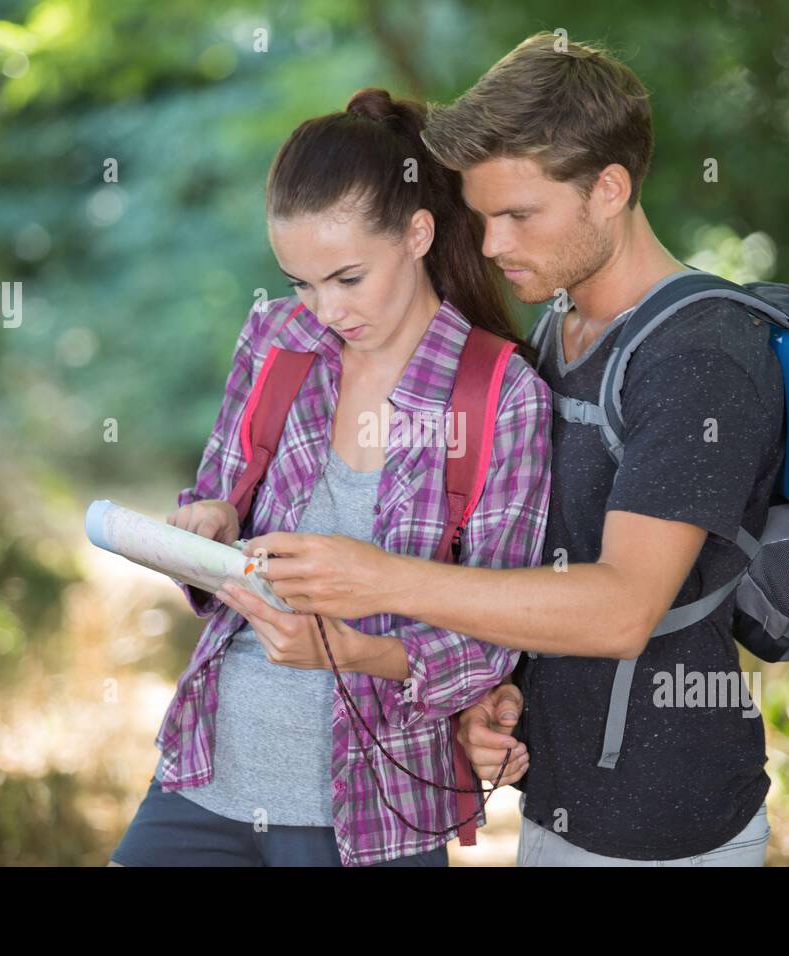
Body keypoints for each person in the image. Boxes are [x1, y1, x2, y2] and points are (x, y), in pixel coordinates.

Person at [241, 34, 783, 866]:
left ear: (610, 189)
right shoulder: (558, 334)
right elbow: (533, 567)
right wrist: (496, 699)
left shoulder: (699, 354)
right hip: (564, 802)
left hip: (668, 824)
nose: (490, 246)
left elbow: (620, 608)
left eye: (518, 215)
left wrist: (379, 577)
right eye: (482, 215)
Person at [109, 87, 552, 867]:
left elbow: (496, 637)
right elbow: (217, 504)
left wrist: (353, 652)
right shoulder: (275, 340)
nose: (322, 310)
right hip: (205, 775)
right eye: (300, 282)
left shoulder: (501, 394)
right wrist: (209, 525)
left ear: (418, 233)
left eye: (348, 279)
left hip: (374, 814)